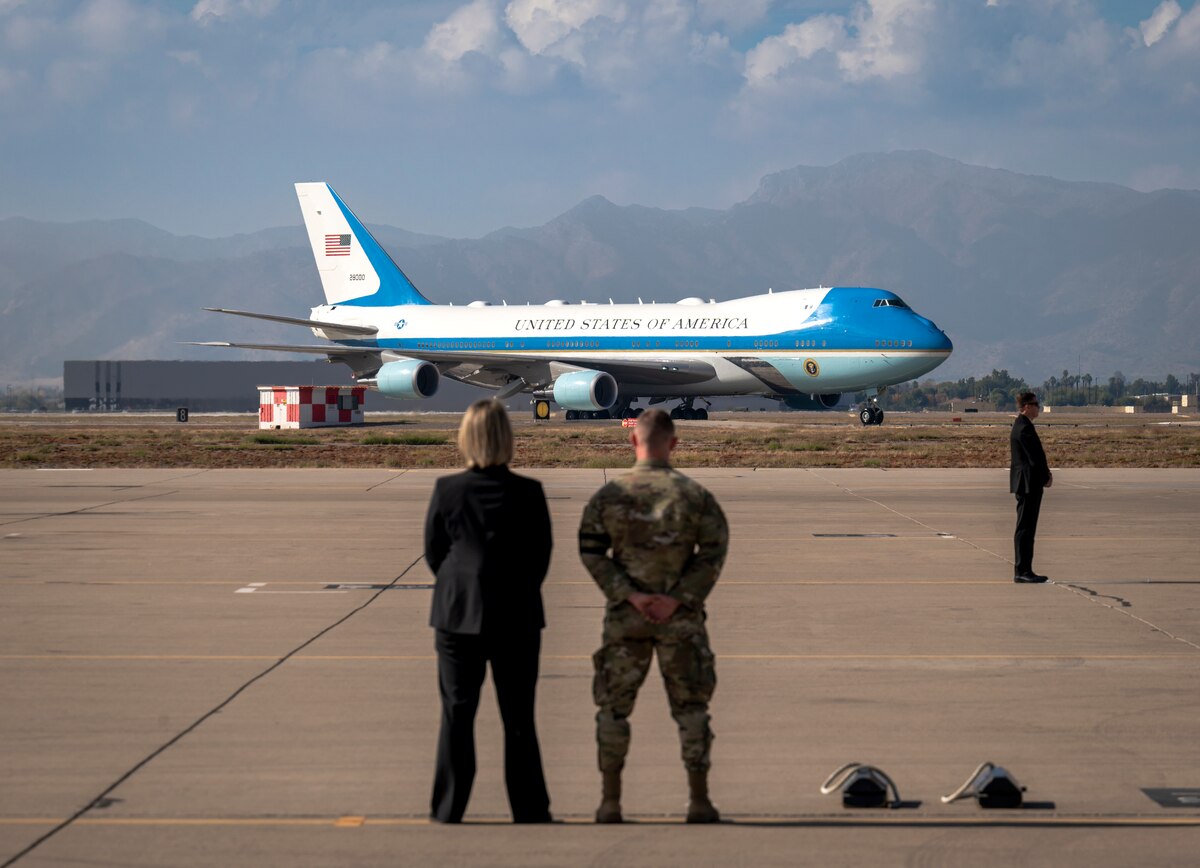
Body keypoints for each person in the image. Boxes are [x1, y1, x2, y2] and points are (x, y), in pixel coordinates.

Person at [578, 408, 729, 824]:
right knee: (692, 710)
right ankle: (699, 802)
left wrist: (628, 595)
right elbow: (714, 553)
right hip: (680, 620)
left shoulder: (611, 495)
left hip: (627, 618)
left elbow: (591, 551)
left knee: (613, 711)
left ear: (633, 441)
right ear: (674, 444)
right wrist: (678, 599)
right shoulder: (694, 495)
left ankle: (610, 803)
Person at [424, 399, 552, 823]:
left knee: (457, 714)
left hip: (457, 613)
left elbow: (435, 553)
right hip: (517, 613)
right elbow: (540, 557)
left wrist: (461, 585)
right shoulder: (529, 492)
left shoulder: (447, 490)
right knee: (519, 717)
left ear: (465, 438)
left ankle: (449, 808)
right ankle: (529, 809)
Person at [1010, 391, 1053, 583]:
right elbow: (1034, 457)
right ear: (1027, 406)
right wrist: (1045, 476)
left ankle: (1025, 569)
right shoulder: (1024, 428)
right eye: (1036, 404)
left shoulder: (1023, 425)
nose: (1038, 408)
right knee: (1025, 528)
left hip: (1028, 482)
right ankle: (1022, 570)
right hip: (1028, 484)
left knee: (1027, 528)